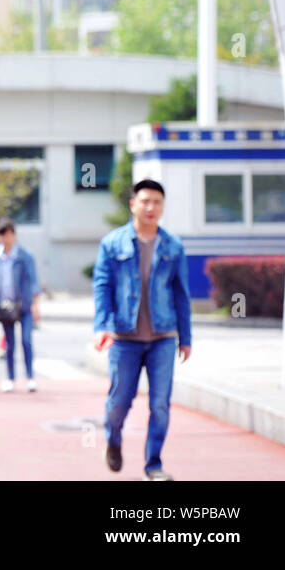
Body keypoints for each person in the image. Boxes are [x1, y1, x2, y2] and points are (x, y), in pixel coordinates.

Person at [93, 178, 193, 481]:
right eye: (145, 201)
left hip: (163, 337)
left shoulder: (173, 247)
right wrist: (102, 325)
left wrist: (186, 338)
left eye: (157, 202)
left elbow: (181, 293)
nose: (151, 207)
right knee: (119, 401)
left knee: (160, 404)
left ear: (162, 207)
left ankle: (153, 464)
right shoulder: (113, 244)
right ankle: (113, 438)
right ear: (133, 204)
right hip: (124, 337)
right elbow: (103, 286)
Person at [0, 219, 41, 393]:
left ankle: (30, 377)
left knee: (26, 340)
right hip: (4, 305)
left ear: (14, 235)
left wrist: (35, 304)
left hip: (23, 304)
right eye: (1, 236)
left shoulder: (24, 256)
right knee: (9, 343)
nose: (5, 239)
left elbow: (33, 281)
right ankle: (10, 377)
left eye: (8, 235)